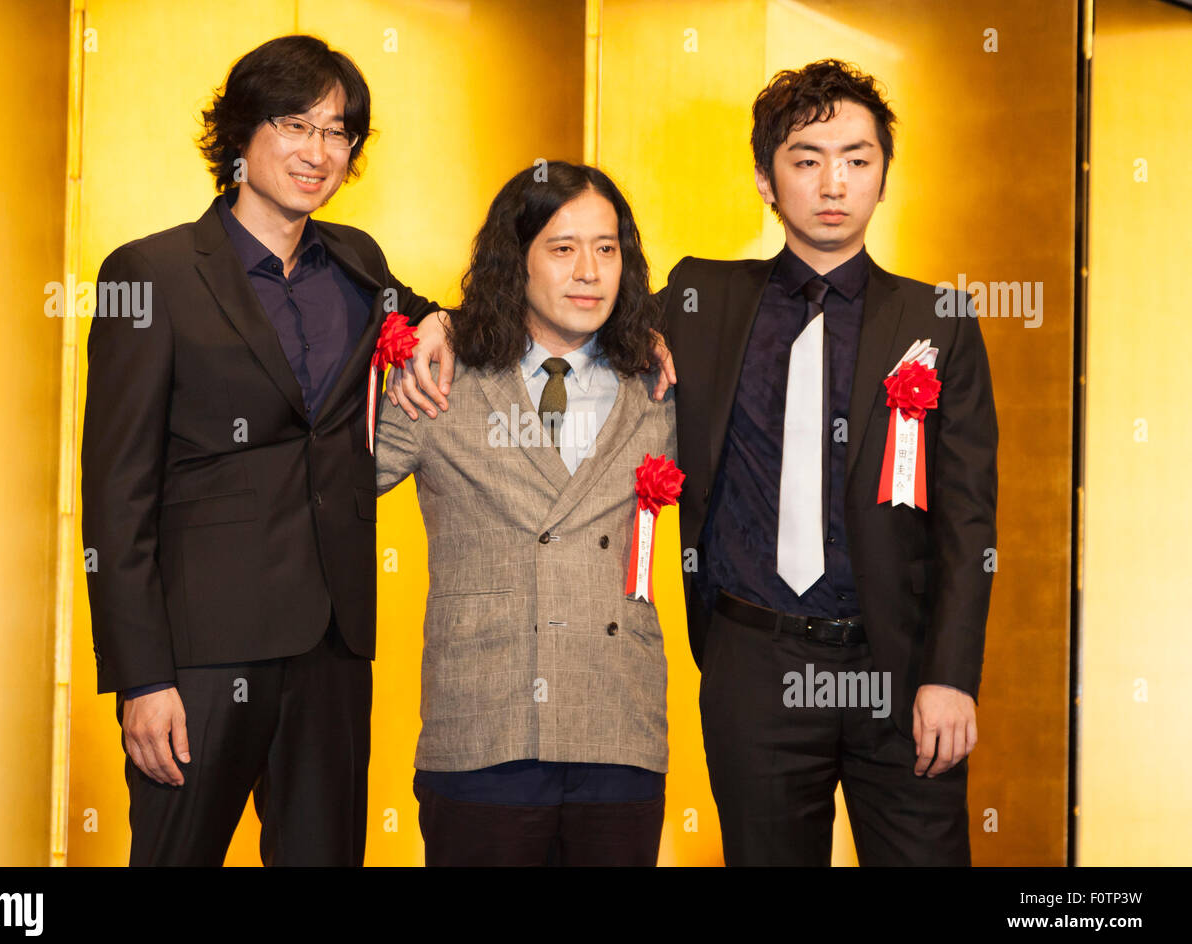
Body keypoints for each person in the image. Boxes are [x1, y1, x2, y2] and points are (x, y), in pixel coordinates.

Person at [391, 60, 997, 866]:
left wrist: (952, 676)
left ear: (885, 176)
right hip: (754, 662)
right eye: (806, 159)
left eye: (857, 159)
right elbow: (554, 298)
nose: (832, 183)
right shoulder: (700, 299)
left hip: (900, 665)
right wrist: (439, 322)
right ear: (764, 178)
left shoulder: (938, 317)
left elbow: (966, 515)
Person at [81, 34, 445, 866]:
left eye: (339, 131)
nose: (319, 152)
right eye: (295, 124)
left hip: (332, 648)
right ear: (241, 133)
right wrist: (141, 678)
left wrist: (440, 320)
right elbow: (116, 493)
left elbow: (430, 312)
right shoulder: (153, 273)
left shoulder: (357, 264)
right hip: (200, 654)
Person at [375, 162, 678, 866]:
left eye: (607, 249)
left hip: (618, 727)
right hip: (484, 726)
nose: (589, 271)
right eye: (562, 247)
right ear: (519, 261)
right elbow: (328, 496)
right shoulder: (440, 379)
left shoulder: (656, 383)